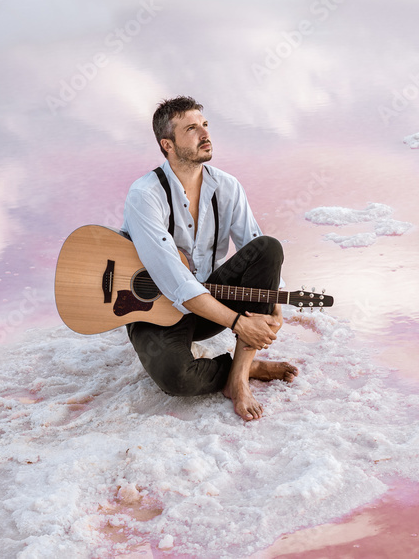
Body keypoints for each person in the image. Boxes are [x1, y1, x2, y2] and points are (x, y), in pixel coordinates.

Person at [121, 96, 297, 421]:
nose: (204, 134)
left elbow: (254, 245)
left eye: (204, 125)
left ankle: (239, 379)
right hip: (151, 310)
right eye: (191, 128)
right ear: (168, 144)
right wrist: (239, 322)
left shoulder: (227, 187)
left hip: (207, 300)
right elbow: (175, 280)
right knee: (178, 379)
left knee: (268, 248)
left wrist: (274, 305)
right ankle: (235, 369)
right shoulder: (145, 196)